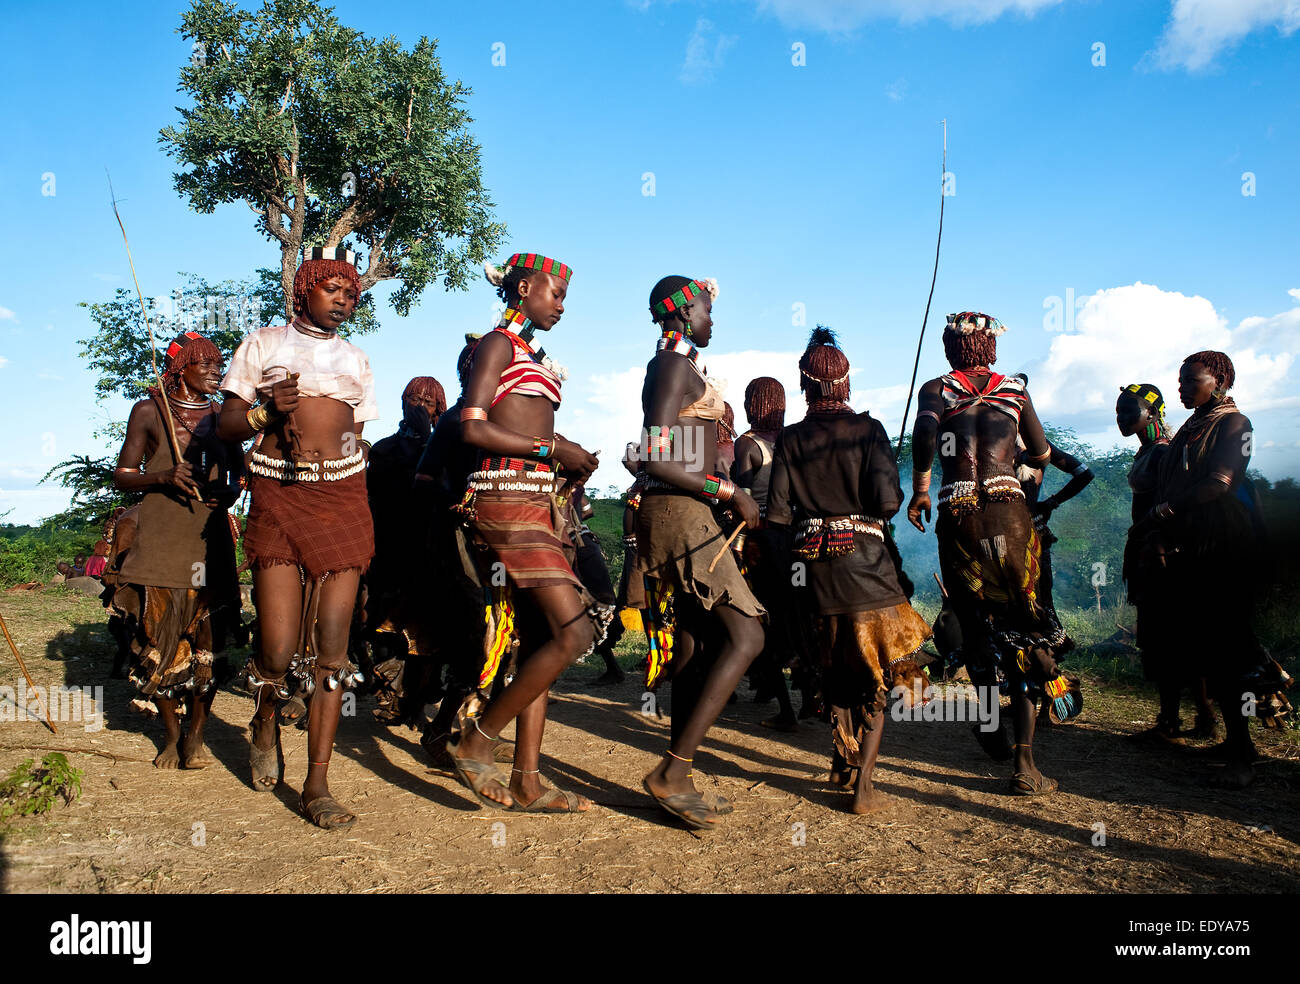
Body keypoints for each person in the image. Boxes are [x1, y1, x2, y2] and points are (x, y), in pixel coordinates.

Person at [218, 245, 377, 830]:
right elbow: (226, 424)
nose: (344, 299)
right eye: (333, 288)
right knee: (279, 646)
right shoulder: (263, 345)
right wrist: (264, 412)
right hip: (278, 496)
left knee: (334, 646)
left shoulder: (358, 360)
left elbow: (355, 433)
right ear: (304, 289)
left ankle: (317, 783)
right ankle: (264, 716)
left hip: (342, 499)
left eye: (352, 292)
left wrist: (347, 456)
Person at [444, 252, 602, 813]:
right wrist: (554, 449)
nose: (561, 306)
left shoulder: (529, 352)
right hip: (505, 501)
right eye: (555, 294)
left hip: (537, 500)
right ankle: (476, 740)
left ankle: (528, 780)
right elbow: (472, 425)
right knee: (575, 632)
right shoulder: (496, 345)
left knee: (542, 641)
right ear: (526, 286)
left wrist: (567, 461)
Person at [767, 328, 933, 813]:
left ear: (806, 385)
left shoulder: (791, 439)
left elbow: (777, 514)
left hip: (812, 573)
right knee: (875, 673)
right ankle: (863, 787)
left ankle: (841, 762)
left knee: (833, 666)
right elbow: (886, 502)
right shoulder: (870, 429)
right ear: (844, 383)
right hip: (867, 568)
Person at [907, 312, 1067, 796]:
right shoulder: (1015, 391)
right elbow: (1040, 453)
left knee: (975, 625)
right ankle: (1025, 765)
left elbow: (925, 435)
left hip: (959, 516)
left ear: (953, 349)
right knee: (1023, 628)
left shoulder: (936, 388)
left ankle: (991, 724)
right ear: (990, 349)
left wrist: (920, 489)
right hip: (1011, 517)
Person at [636, 275, 765, 830]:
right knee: (748, 634)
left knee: (693, 639)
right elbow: (657, 459)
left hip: (688, 509)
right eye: (708, 309)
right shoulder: (668, 367)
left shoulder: (685, 368)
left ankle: (679, 776)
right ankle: (672, 769)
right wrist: (729, 491)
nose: (714, 319)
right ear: (686, 312)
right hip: (678, 510)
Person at [1137, 351, 1292, 786]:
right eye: (1181, 380)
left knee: (1227, 650)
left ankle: (1243, 754)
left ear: (1219, 379)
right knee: (1204, 647)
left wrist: (1166, 512)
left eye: (1192, 380)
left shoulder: (1235, 425)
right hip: (1188, 541)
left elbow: (1221, 482)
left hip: (1222, 546)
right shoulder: (1193, 425)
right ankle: (1231, 740)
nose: (1183, 387)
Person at [110, 330, 243, 768]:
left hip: (208, 541)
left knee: (207, 642)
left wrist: (226, 494)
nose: (214, 371)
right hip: (163, 539)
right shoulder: (149, 411)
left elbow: (240, 475)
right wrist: (163, 477)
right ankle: (170, 735)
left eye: (218, 363)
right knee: (161, 639)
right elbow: (124, 474)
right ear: (179, 368)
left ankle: (198, 734)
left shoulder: (224, 418)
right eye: (203, 364)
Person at [1116, 383, 1214, 740]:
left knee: (1170, 636)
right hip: (1147, 549)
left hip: (1162, 555)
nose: (1122, 418)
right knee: (1163, 636)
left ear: (1152, 413)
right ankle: (1183, 718)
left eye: (1129, 411)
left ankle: (1188, 719)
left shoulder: (1162, 453)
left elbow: (1170, 505)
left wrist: (1157, 541)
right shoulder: (1148, 452)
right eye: (1118, 412)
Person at [365, 375, 448, 722]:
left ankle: (416, 697)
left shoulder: (445, 447)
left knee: (429, 631)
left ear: (437, 411)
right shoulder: (383, 449)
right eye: (413, 400)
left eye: (427, 403)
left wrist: (430, 438)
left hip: (430, 553)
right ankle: (390, 697)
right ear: (401, 402)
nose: (418, 407)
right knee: (384, 628)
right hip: (388, 551)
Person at [732, 376, 804, 729]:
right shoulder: (794, 439)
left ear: (752, 405)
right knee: (798, 616)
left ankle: (787, 712)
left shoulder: (747, 444)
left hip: (763, 541)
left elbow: (741, 498)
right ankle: (810, 700)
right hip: (800, 538)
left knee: (768, 620)